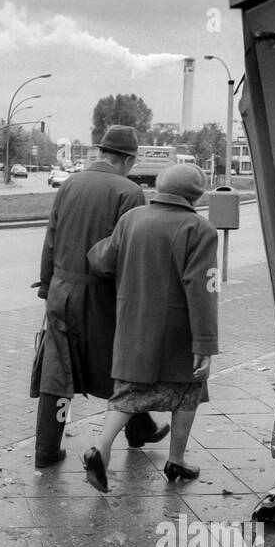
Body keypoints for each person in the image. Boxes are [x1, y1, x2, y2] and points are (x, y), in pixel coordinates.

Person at [31, 125, 168, 468]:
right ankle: (139, 428)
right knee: (121, 366)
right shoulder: (130, 191)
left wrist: (47, 284)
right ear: (128, 160)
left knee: (57, 371)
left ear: (101, 151)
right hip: (103, 295)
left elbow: (51, 237)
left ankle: (47, 449)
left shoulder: (70, 184)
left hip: (62, 290)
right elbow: (128, 252)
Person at [81, 163, 219, 491]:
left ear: (160, 186)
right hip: (177, 334)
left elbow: (103, 260)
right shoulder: (199, 229)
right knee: (188, 393)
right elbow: (202, 290)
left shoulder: (132, 219)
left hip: (133, 327)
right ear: (196, 195)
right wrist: (205, 344)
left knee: (128, 393)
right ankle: (176, 460)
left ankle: (100, 448)